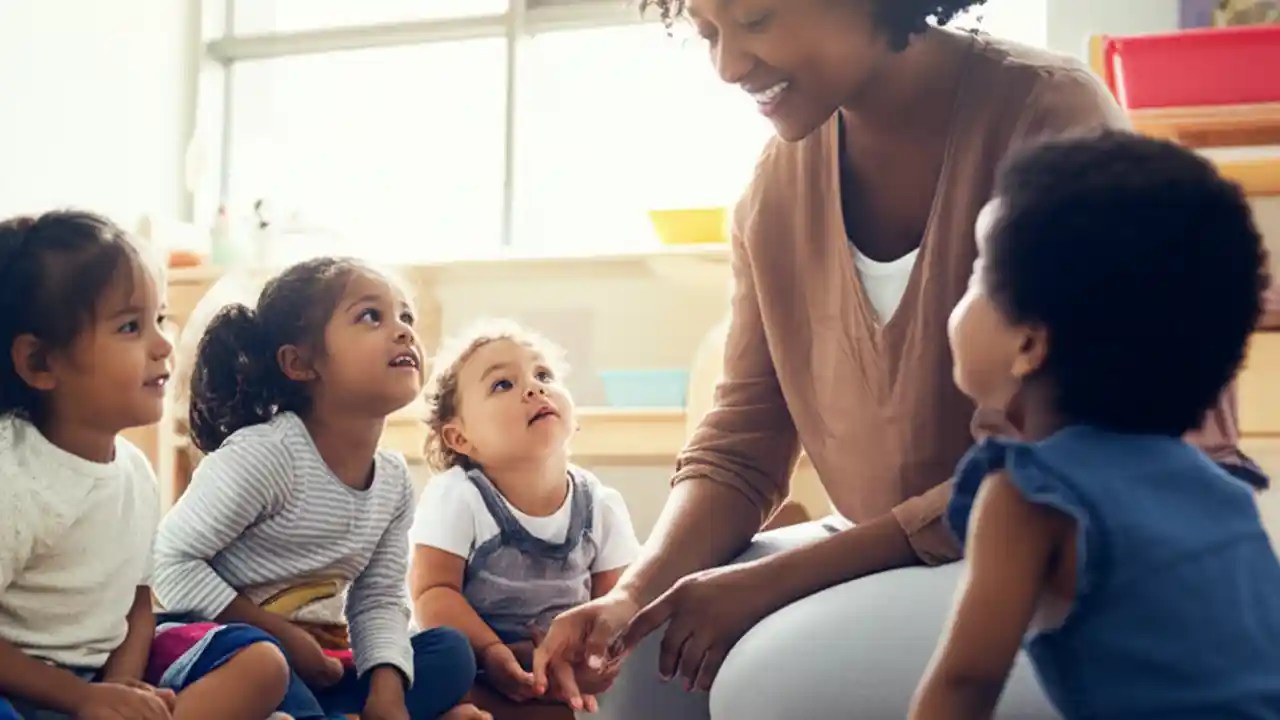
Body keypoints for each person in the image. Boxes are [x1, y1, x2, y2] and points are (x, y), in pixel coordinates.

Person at [533, 1, 1266, 717]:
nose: (728, 66)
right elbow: (740, 446)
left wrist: (774, 582)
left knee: (774, 681)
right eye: (707, 33)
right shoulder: (772, 193)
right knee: (639, 665)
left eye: (756, 22)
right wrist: (633, 593)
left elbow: (1084, 447)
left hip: (1080, 554)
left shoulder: (1049, 114)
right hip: (891, 547)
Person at [909, 132, 1280, 719]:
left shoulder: (1030, 494)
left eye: (978, 273)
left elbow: (966, 684)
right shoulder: (1222, 490)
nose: (963, 291)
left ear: (1029, 343)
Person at [150, 257, 485, 720]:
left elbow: (379, 599)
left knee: (451, 653)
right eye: (372, 316)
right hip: (228, 652)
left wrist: (386, 695)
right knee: (269, 672)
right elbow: (168, 561)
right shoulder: (266, 455)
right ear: (300, 363)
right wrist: (284, 638)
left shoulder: (391, 482)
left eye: (406, 316)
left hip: (321, 660)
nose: (404, 331)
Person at [0, 211, 290, 719]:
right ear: (40, 364)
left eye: (160, 319)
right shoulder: (16, 477)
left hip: (100, 673)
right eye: (131, 326)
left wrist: (122, 688)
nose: (163, 345)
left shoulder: (135, 472)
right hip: (21, 685)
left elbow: (137, 605)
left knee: (262, 664)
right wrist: (82, 699)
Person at [409, 321, 642, 718]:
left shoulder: (600, 506)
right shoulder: (459, 495)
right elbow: (433, 594)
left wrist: (588, 661)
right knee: (435, 672)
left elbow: (617, 607)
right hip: (474, 663)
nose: (534, 388)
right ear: (460, 438)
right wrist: (493, 651)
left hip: (555, 668)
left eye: (543, 375)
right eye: (503, 385)